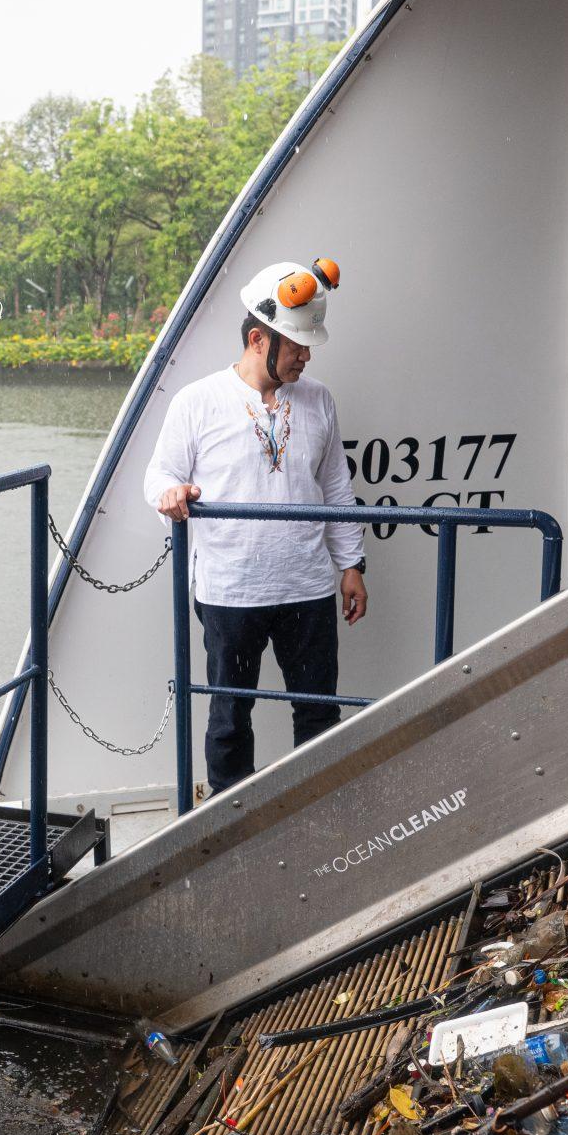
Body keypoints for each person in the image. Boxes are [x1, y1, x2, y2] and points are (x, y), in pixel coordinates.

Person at [144, 257, 366, 798]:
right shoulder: (197, 401)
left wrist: (352, 567)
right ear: (257, 339)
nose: (306, 356)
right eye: (297, 346)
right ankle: (227, 820)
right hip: (230, 590)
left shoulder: (319, 400)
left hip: (308, 588)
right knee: (229, 717)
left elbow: (336, 488)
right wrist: (170, 495)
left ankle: (317, 810)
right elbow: (160, 474)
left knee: (317, 711)